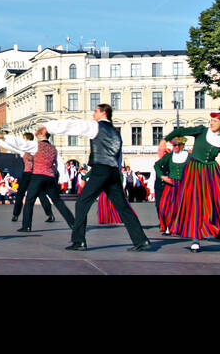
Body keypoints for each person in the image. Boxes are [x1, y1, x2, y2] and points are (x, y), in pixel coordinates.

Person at [49, 106, 149, 252]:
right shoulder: (116, 132)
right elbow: (118, 156)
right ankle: (141, 240)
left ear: (103, 112)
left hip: (100, 169)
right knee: (123, 207)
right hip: (113, 171)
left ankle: (79, 241)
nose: (93, 113)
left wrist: (50, 126)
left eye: (96, 111)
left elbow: (74, 126)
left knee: (82, 203)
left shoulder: (95, 126)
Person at [165, 113, 220, 253]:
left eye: (215, 121)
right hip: (194, 170)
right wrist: (166, 140)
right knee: (194, 203)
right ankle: (195, 239)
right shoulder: (201, 131)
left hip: (211, 172)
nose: (211, 123)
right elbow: (180, 131)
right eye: (211, 120)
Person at [15, 127, 75, 233]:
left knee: (29, 201)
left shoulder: (35, 146)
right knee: (58, 201)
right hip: (50, 177)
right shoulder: (53, 148)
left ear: (43, 134)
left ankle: (27, 226)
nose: (36, 132)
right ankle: (73, 224)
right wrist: (63, 180)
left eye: (39, 131)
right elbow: (60, 164)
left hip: (37, 176)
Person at [0, 132, 54, 225]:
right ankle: (50, 215)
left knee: (21, 194)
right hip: (35, 174)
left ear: (26, 139)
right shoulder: (36, 148)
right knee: (41, 194)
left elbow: (10, 147)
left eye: (24, 138)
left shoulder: (24, 149)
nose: (23, 140)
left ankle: (16, 215)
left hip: (28, 173)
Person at [153, 136, 189, 235]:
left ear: (182, 145)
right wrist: (163, 177)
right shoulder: (170, 155)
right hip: (171, 184)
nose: (175, 147)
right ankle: (169, 227)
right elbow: (157, 165)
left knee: (184, 207)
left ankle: (182, 227)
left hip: (184, 184)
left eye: (177, 145)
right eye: (174, 145)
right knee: (165, 206)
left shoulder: (189, 156)